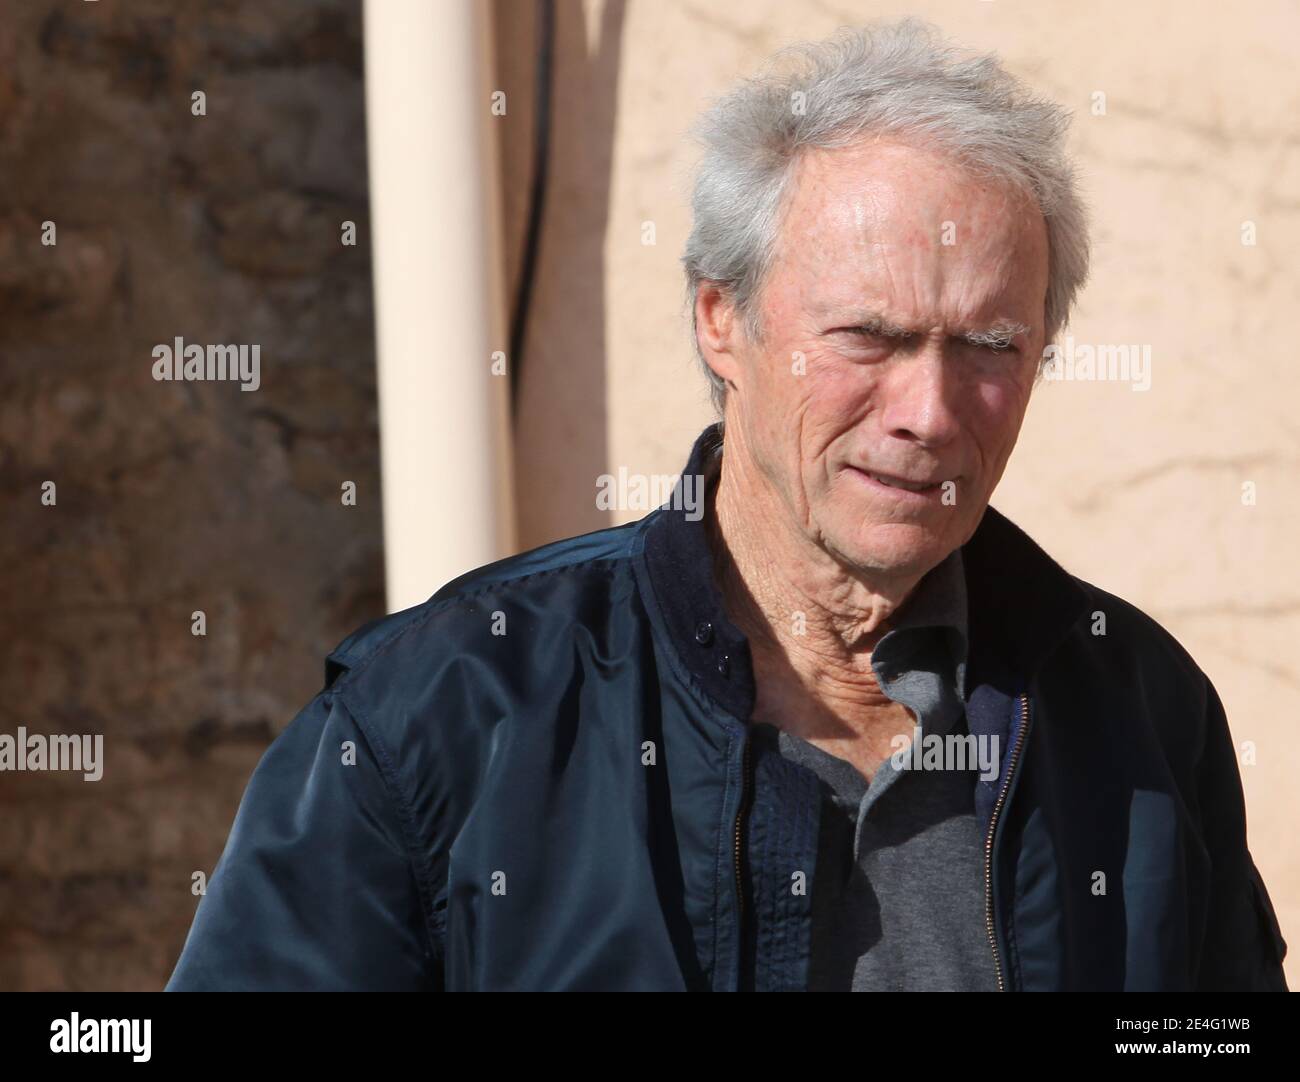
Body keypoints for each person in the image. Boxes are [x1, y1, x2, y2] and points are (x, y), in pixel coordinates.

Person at [166, 18, 1288, 991]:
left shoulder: (1136, 708)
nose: (930, 409)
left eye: (990, 344)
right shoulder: (440, 715)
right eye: (869, 335)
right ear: (721, 321)